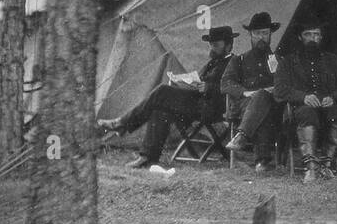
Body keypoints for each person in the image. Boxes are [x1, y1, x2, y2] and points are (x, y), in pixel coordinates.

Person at [98, 26, 238, 169]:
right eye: (211, 44)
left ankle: (122, 123)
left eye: (216, 45)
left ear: (228, 45)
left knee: (163, 91)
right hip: (199, 103)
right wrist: (186, 81)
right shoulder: (213, 61)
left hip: (215, 108)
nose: (212, 48)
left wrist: (211, 88)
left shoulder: (235, 63)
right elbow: (200, 79)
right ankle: (147, 157)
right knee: (160, 108)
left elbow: (236, 88)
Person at [275, 15, 337, 182]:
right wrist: (302, 97)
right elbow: (279, 89)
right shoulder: (287, 62)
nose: (312, 39)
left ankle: (326, 165)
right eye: (308, 34)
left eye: (316, 34)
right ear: (300, 37)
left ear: (321, 37)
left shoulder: (333, 60)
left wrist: (333, 97)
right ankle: (310, 168)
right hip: (299, 110)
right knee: (307, 113)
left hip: (328, 109)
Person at [222, 11, 281, 173]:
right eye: (257, 33)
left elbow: (287, 84)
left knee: (264, 98)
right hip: (245, 107)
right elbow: (225, 84)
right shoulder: (239, 60)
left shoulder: (279, 60)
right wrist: (244, 92)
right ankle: (262, 161)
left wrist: (275, 89)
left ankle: (242, 136)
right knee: (261, 102)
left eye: (265, 33)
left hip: (275, 106)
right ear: (250, 35)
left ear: (270, 35)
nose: (261, 37)